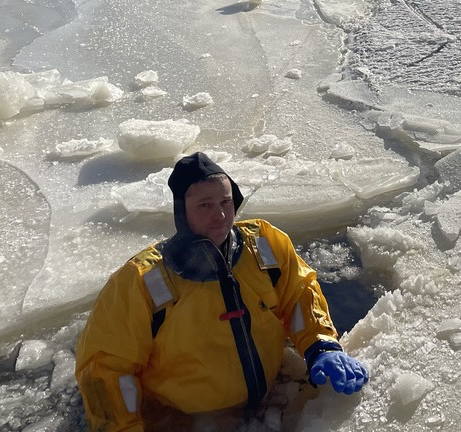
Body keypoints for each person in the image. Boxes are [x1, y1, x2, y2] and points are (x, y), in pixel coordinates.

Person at [76, 152, 369, 431]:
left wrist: (320, 346)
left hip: (267, 404)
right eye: (204, 205)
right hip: (184, 422)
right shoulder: (142, 282)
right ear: (182, 211)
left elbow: (298, 295)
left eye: (225, 202)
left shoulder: (264, 244)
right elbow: (108, 368)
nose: (219, 215)